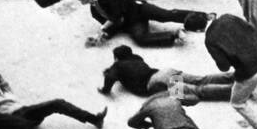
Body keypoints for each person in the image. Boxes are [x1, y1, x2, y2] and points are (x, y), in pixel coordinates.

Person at [70, 0, 210, 47]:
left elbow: (116, 15)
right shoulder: (94, 11)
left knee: (166, 15)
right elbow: (115, 25)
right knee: (141, 39)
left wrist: (102, 30)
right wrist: (105, 35)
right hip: (132, 22)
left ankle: (203, 16)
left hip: (138, 9)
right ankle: (174, 35)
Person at [99, 44, 231, 98]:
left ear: (116, 58)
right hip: (165, 72)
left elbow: (110, 77)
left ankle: (231, 90)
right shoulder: (136, 58)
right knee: (200, 79)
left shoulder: (117, 66)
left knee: (195, 91)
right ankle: (232, 76)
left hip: (156, 83)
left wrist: (105, 90)